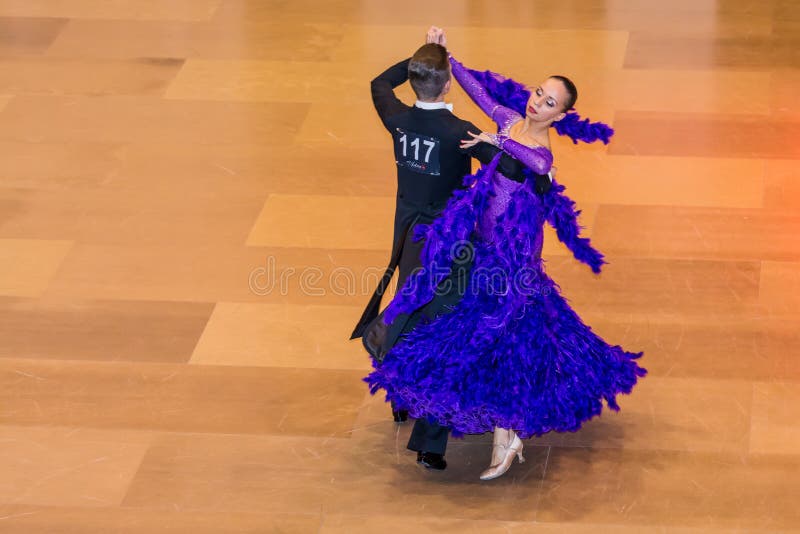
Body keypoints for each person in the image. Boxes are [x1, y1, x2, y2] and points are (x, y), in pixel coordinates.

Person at [365, 27, 646, 481]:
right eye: (539, 93)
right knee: (481, 335)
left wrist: (495, 142)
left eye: (550, 103)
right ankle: (500, 430)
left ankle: (507, 430)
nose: (538, 103)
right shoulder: (507, 118)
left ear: (560, 117)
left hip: (512, 263)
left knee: (508, 337)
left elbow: (535, 165)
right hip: (482, 250)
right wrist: (445, 53)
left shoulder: (540, 149)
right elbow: (475, 88)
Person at [350, 36, 550, 471]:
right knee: (446, 333)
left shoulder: (397, 119)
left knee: (407, 309)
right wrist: (504, 143)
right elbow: (517, 169)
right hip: (449, 246)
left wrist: (422, 59)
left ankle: (398, 389)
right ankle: (429, 444)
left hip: (406, 238)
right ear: (447, 89)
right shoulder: (460, 134)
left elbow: (379, 84)